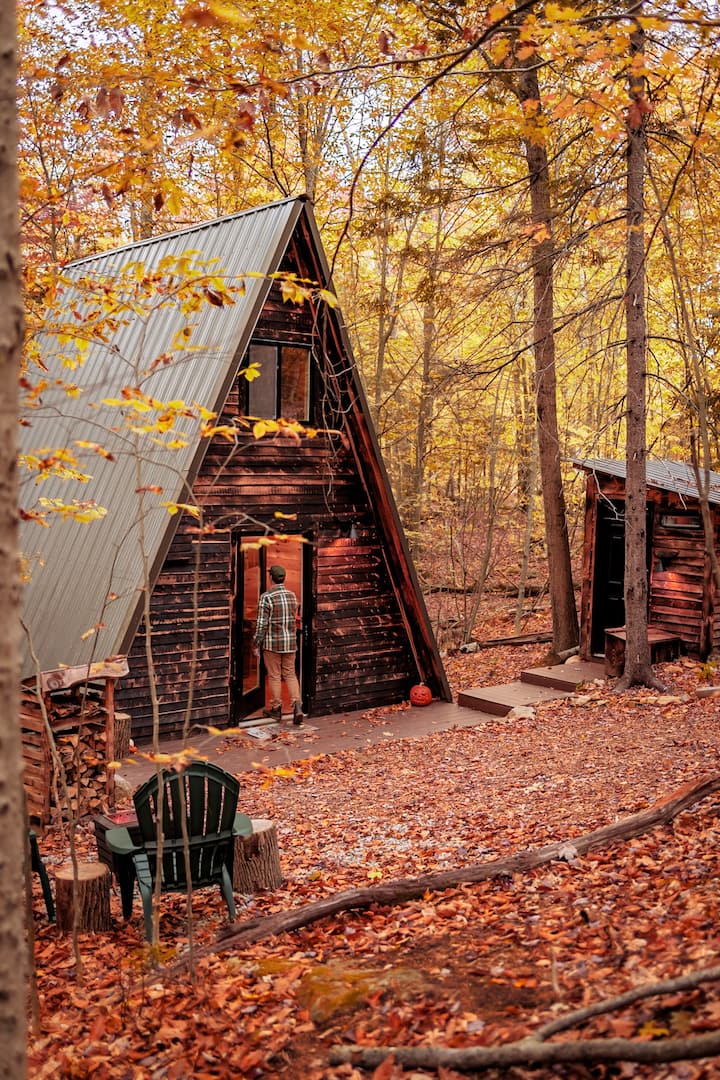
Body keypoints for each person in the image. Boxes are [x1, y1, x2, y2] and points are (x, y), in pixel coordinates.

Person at [253, 564, 304, 725]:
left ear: (271, 578)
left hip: (272, 643)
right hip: (290, 643)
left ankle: (276, 709)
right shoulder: (292, 595)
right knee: (290, 674)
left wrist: (256, 643)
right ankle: (297, 706)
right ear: (284, 578)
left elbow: (262, 624)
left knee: (274, 675)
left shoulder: (266, 597)